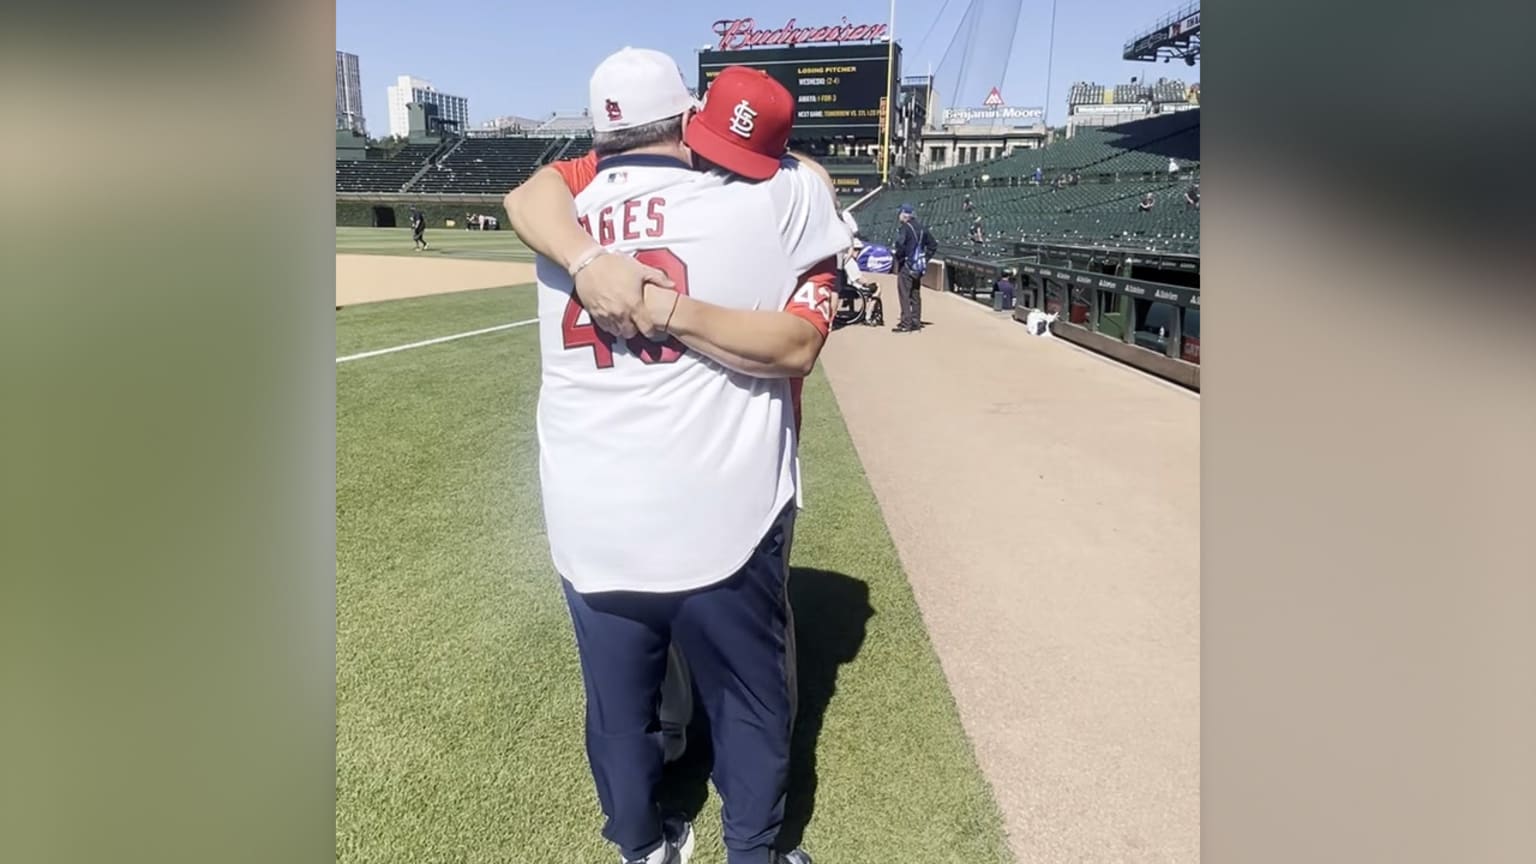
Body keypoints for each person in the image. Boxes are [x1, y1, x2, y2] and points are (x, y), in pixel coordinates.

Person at [504, 50, 846, 864]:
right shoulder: (773, 200)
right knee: (752, 701)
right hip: (723, 512)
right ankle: (753, 853)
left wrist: (592, 261)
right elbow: (810, 186)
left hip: (588, 515)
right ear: (688, 120)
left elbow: (529, 190)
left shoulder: (564, 218)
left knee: (618, 708)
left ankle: (641, 847)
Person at [892, 203, 937, 333]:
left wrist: (899, 258)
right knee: (915, 293)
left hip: (907, 265)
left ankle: (906, 323)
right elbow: (933, 245)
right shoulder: (922, 228)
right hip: (918, 267)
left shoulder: (905, 228)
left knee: (904, 294)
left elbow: (900, 245)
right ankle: (916, 321)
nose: (899, 216)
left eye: (900, 213)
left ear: (905, 214)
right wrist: (924, 259)